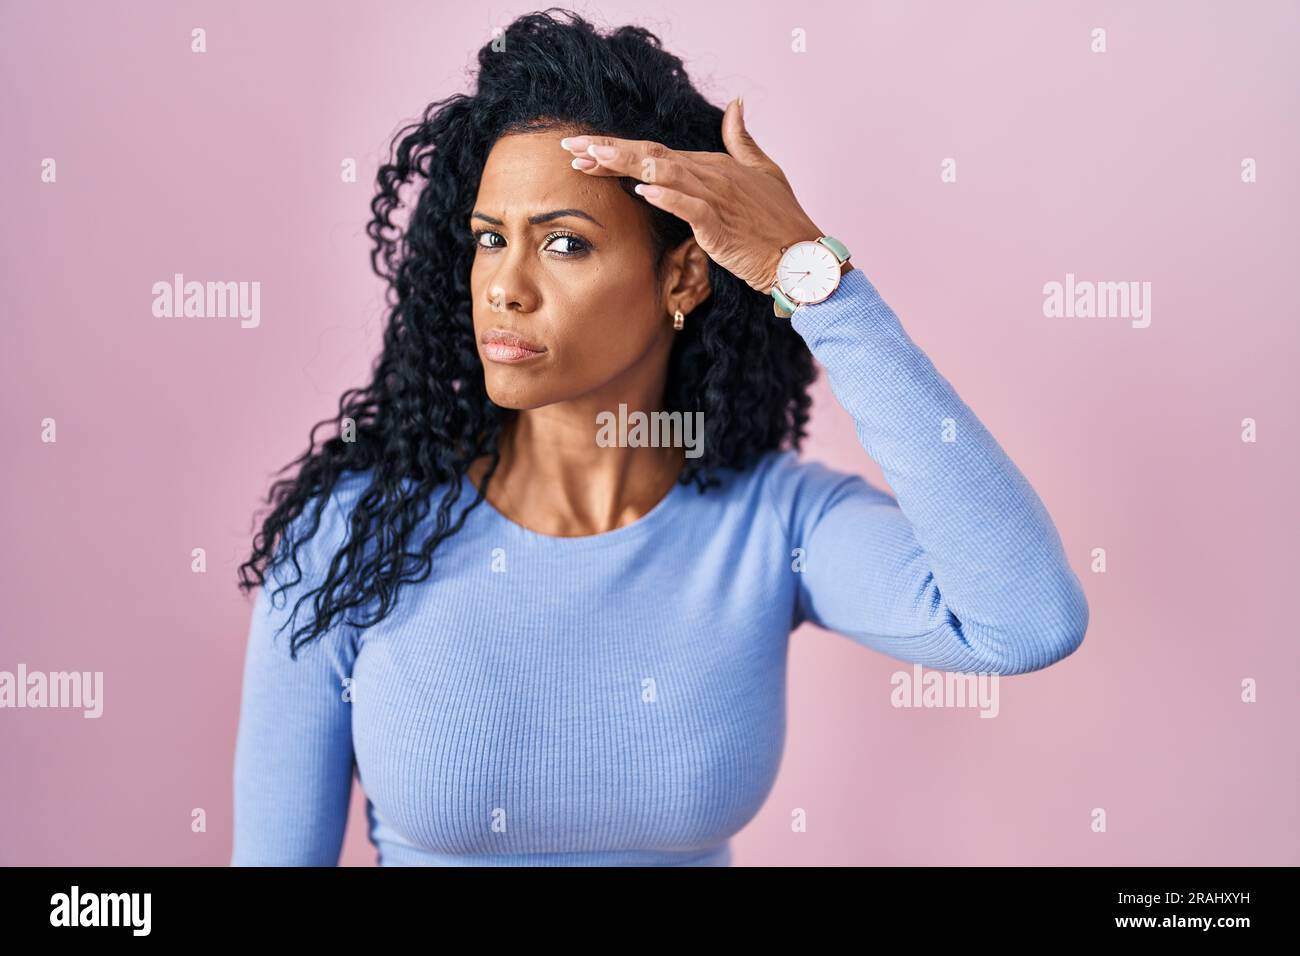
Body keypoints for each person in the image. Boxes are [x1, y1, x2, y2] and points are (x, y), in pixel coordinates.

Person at [231, 9, 1088, 867]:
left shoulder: (774, 524)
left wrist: (814, 278)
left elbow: (1022, 621)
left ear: (682, 274)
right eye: (491, 240)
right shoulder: (353, 537)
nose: (504, 287)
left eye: (564, 243)